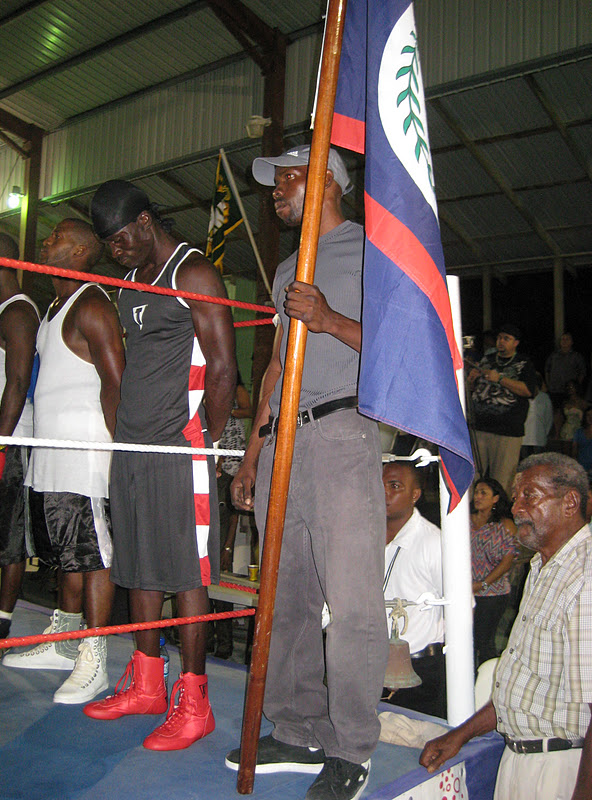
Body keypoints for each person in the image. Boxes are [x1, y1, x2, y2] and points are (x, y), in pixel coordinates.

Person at [225, 145, 388, 800]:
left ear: (328, 182)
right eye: (275, 182)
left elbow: (402, 350)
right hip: (283, 441)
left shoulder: (374, 252)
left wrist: (329, 319)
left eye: (289, 178)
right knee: (283, 596)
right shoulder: (288, 266)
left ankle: (351, 748)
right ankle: (296, 730)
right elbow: (275, 364)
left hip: (343, 433)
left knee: (351, 605)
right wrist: (253, 453)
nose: (276, 191)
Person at [84, 180, 236, 752]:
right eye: (108, 243)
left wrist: (204, 441)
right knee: (139, 567)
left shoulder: (192, 272)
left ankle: (195, 703)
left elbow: (222, 368)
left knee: (186, 574)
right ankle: (148, 683)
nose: (116, 249)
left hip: (178, 446)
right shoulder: (130, 281)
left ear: (146, 221)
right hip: (133, 447)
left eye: (122, 237)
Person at [420, 453, 592, 800]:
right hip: (519, 759)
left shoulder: (584, 577)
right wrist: (460, 735)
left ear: (570, 502)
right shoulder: (541, 569)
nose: (516, 508)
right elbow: (522, 688)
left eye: (530, 495)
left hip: (561, 769)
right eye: (516, 497)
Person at [2, 219, 125, 706]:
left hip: (88, 454)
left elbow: (117, 382)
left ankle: (94, 655)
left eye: (56, 237)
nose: (46, 241)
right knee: (65, 551)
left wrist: (119, 456)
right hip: (52, 451)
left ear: (78, 252)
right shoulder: (54, 307)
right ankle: (65, 639)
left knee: (94, 556)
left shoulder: (92, 304)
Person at [0, 233, 39, 656]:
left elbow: (19, 381)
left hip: (8, 440)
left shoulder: (19, 311)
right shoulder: (0, 310)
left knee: (8, 534)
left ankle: (1, 622)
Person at [381, 461, 446, 719]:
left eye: (394, 486)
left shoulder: (433, 542)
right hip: (370, 663)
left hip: (419, 671)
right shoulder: (363, 536)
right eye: (379, 485)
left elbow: (462, 609)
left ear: (415, 494)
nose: (384, 493)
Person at [210, 371, 251, 659]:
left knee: (220, 573)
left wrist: (226, 411)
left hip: (232, 459)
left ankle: (224, 640)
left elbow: (248, 410)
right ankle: (206, 636)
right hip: (214, 459)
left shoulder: (236, 387)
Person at [468, 323, 536, 493]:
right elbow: (474, 389)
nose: (501, 341)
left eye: (507, 338)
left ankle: (500, 509)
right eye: (499, 338)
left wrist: (500, 379)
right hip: (480, 427)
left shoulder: (524, 363)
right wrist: (472, 379)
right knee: (473, 476)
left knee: (503, 480)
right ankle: (473, 508)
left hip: (507, 431)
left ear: (516, 343)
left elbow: (528, 390)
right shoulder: (487, 360)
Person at [470, 478, 516, 668]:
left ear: (495, 498)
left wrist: (483, 584)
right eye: (476, 492)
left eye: (483, 493)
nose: (478, 497)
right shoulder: (465, 520)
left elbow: (507, 562)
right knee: (466, 640)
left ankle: (488, 680)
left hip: (493, 593)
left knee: (484, 641)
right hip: (467, 590)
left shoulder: (505, 525)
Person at [545, 332, 586, 408]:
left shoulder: (576, 356)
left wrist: (575, 388)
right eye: (562, 339)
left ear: (572, 342)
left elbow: (582, 372)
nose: (564, 341)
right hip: (554, 390)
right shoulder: (554, 355)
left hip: (569, 391)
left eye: (567, 339)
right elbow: (547, 370)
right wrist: (549, 384)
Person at [520, 372, 553, 459]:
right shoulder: (521, 396)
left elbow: (548, 419)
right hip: (523, 440)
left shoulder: (545, 398)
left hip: (539, 440)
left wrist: (545, 433)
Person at [574, 405, 592, 476]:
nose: (590, 418)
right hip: (582, 467)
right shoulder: (579, 432)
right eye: (588, 415)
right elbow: (574, 451)